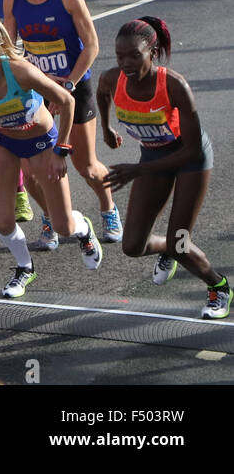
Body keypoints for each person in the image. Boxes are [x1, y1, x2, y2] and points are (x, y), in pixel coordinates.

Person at [0, 13, 98, 298]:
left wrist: (62, 149)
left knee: (64, 225)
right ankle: (24, 267)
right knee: (4, 222)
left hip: (41, 141)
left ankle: (84, 230)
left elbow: (67, 100)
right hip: (2, 141)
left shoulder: (19, 71)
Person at [96, 17, 227, 319]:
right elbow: (102, 96)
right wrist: (105, 128)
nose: (126, 62)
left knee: (181, 244)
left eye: (134, 55)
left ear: (152, 54)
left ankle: (219, 287)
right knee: (132, 245)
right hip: (153, 158)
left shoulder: (174, 85)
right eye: (120, 56)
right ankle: (168, 248)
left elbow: (192, 149)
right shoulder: (111, 78)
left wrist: (138, 170)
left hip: (191, 159)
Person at [3, 0, 120, 248]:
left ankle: (108, 207)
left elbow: (92, 45)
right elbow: (9, 47)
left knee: (85, 165)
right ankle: (50, 218)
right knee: (31, 170)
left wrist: (67, 84)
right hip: (36, 90)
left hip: (74, 85)